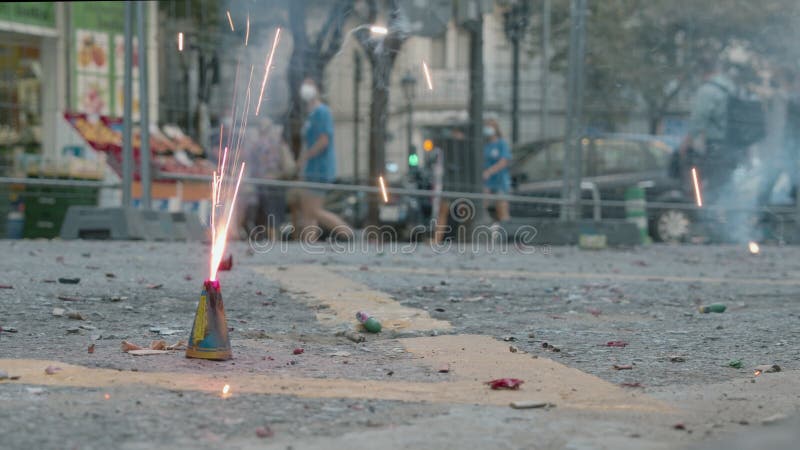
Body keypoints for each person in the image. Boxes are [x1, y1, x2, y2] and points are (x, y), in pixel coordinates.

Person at [296, 77, 353, 241]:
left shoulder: (322, 112)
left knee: (313, 210)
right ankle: (309, 242)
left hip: (320, 168)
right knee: (307, 210)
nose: (306, 88)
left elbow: (323, 140)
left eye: (310, 84)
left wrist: (304, 158)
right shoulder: (310, 115)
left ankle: (346, 232)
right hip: (310, 169)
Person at [243, 118, 295, 241]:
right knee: (274, 217)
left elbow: (251, 164)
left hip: (262, 184)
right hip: (276, 183)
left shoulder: (257, 143)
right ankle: (274, 242)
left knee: (265, 216)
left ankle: (268, 241)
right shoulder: (279, 142)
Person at [482, 119, 512, 222]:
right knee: (483, 206)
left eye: (490, 127)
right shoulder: (484, 144)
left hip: (500, 182)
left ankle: (505, 232)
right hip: (487, 183)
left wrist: (489, 171)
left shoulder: (501, 143)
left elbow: (504, 161)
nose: (487, 129)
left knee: (502, 209)